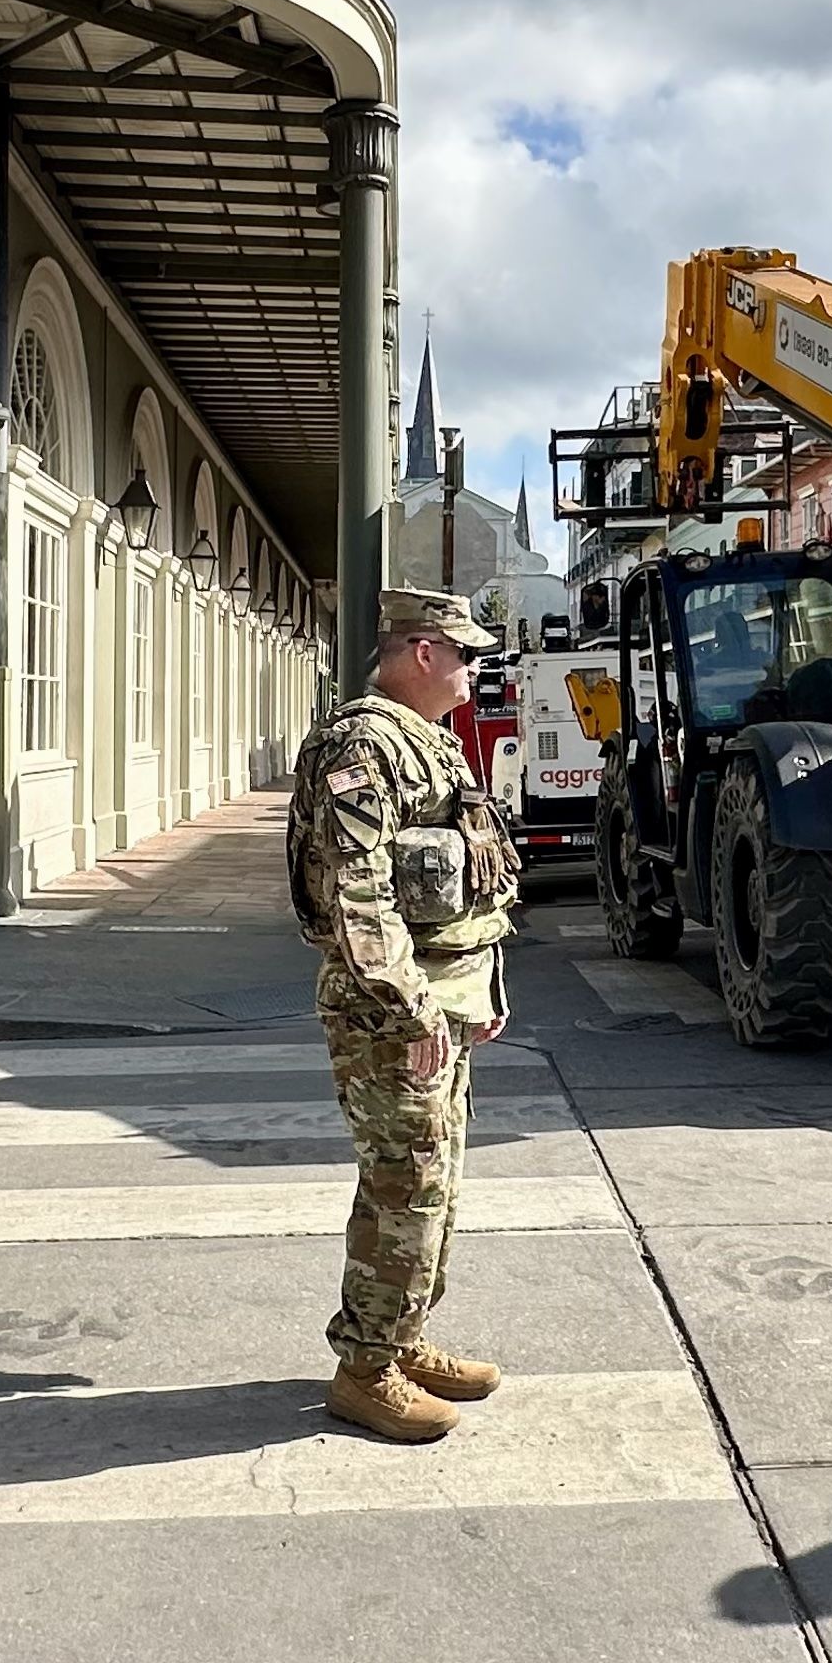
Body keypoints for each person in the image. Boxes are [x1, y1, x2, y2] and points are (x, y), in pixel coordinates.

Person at [286, 588, 526, 1441]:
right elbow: (362, 900)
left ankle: (402, 1335)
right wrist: (415, 1010)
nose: (473, 670)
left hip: (441, 1003)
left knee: (437, 1186)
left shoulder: (431, 746)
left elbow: (464, 881)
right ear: (422, 652)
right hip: (391, 1012)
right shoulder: (364, 744)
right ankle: (366, 1369)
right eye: (464, 654)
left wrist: (475, 996)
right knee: (405, 1187)